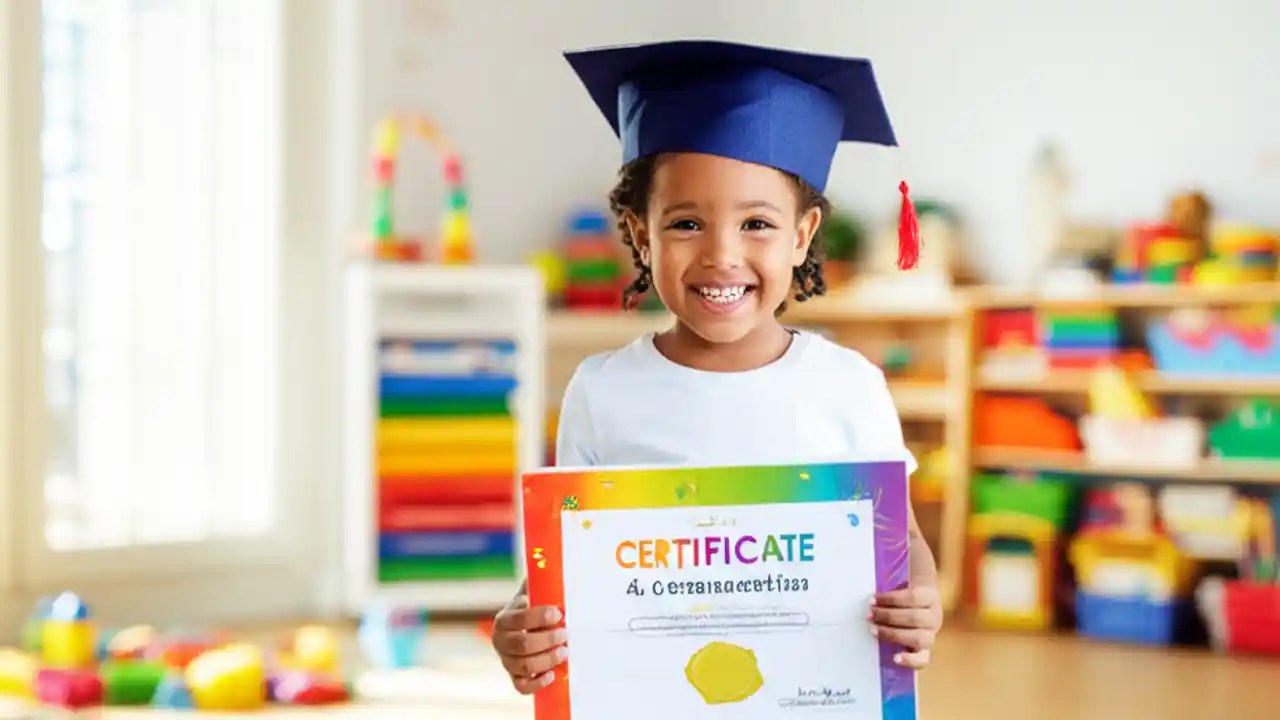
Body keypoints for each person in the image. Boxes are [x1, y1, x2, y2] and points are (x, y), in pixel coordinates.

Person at [491, 39, 940, 696]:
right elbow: (568, 566)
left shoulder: (849, 387)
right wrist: (523, 625)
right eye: (685, 224)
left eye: (757, 222)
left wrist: (922, 599)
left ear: (802, 235)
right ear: (640, 234)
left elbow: (900, 540)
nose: (722, 255)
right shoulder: (603, 391)